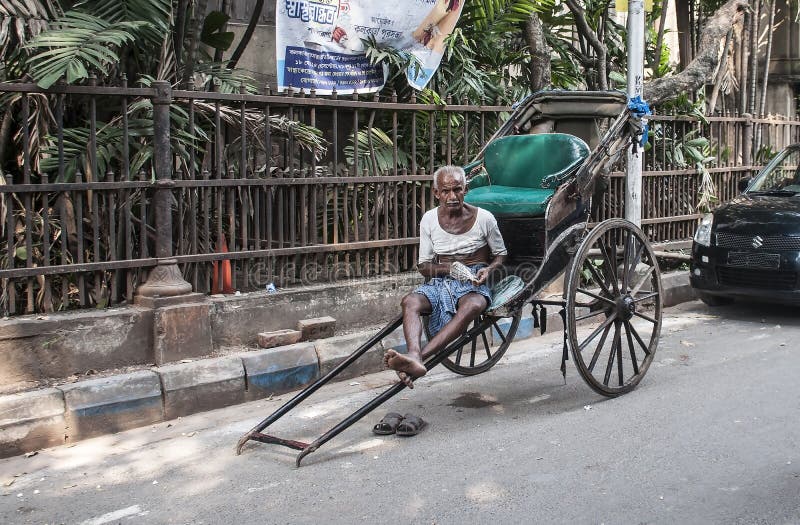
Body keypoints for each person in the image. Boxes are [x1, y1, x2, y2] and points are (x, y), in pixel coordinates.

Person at [383, 165, 507, 389]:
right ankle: (413, 354)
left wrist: (489, 269)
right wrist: (448, 270)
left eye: (457, 190)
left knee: (473, 305)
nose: (452, 197)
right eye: (446, 191)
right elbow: (424, 266)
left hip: (473, 279)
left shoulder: (484, 218)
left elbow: (500, 255)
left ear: (465, 189)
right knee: (410, 301)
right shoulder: (429, 220)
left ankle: (419, 358)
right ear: (436, 193)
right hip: (442, 278)